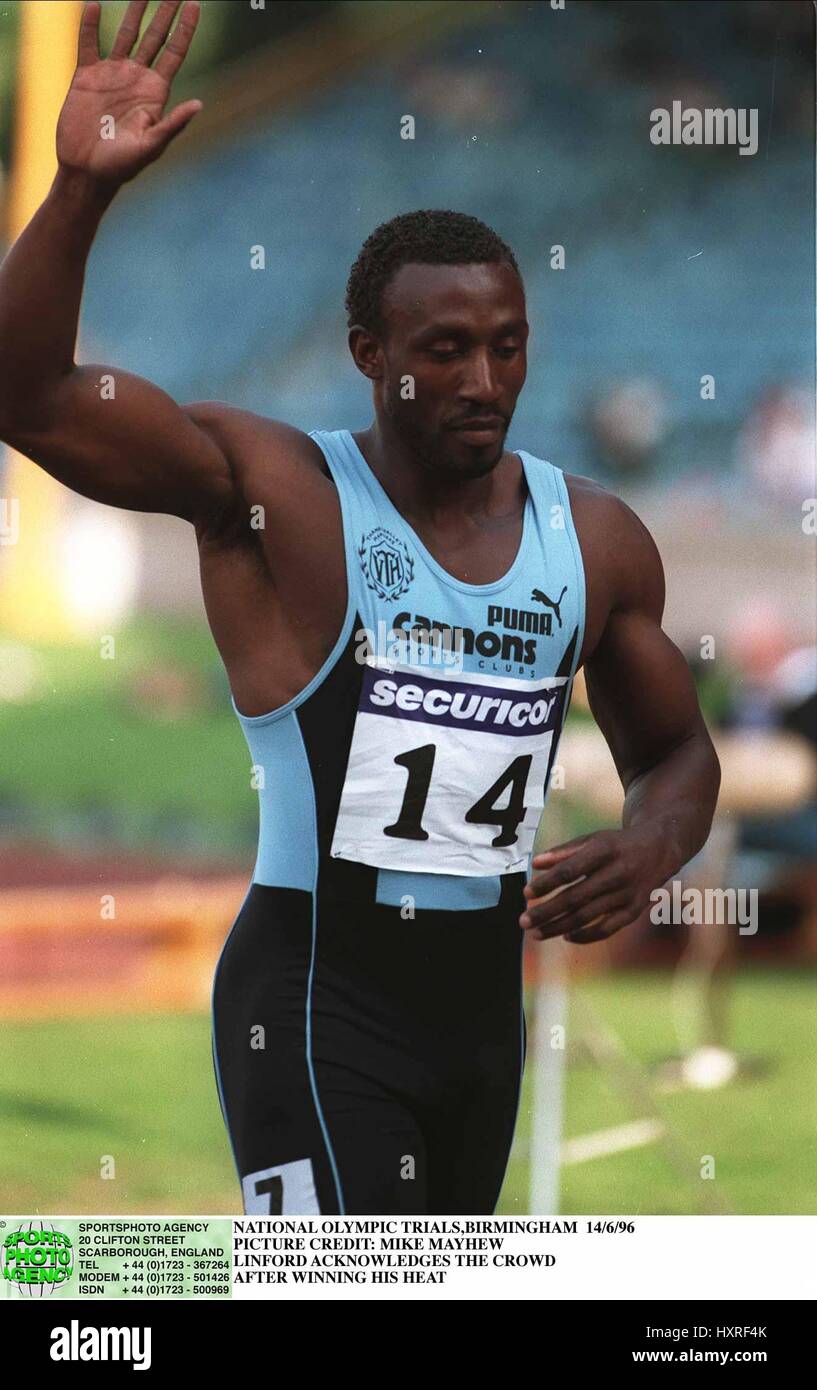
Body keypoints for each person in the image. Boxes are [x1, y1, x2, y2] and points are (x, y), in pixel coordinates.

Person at [0, 1, 720, 1214]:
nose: (481, 380)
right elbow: (26, 397)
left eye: (506, 345)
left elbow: (678, 752)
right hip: (314, 999)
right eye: (441, 349)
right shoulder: (274, 493)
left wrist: (650, 845)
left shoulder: (593, 540)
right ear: (364, 349)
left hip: (482, 1024)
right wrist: (77, 194)